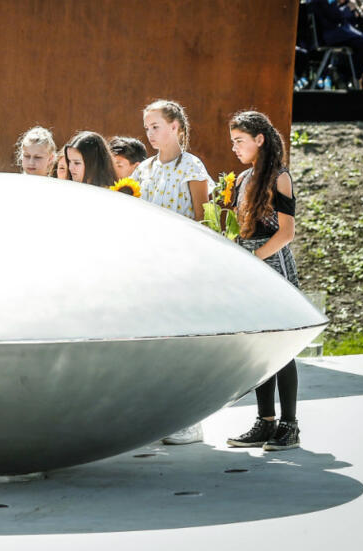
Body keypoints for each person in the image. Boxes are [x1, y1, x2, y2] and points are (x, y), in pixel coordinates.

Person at [130, 100, 211, 445]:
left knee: (183, 344)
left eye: (156, 126)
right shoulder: (143, 170)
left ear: (176, 126)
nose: (150, 133)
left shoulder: (191, 166)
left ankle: (191, 421)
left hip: (181, 267)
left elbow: (203, 218)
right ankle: (158, 420)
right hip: (149, 269)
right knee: (155, 344)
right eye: (147, 127)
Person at [225, 111, 302, 451]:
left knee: (280, 347)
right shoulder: (243, 178)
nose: (235, 148)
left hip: (272, 265)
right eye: (233, 142)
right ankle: (265, 421)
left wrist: (254, 258)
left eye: (240, 141)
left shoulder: (279, 178)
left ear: (259, 140)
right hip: (249, 264)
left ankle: (290, 425)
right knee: (259, 348)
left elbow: (286, 233)